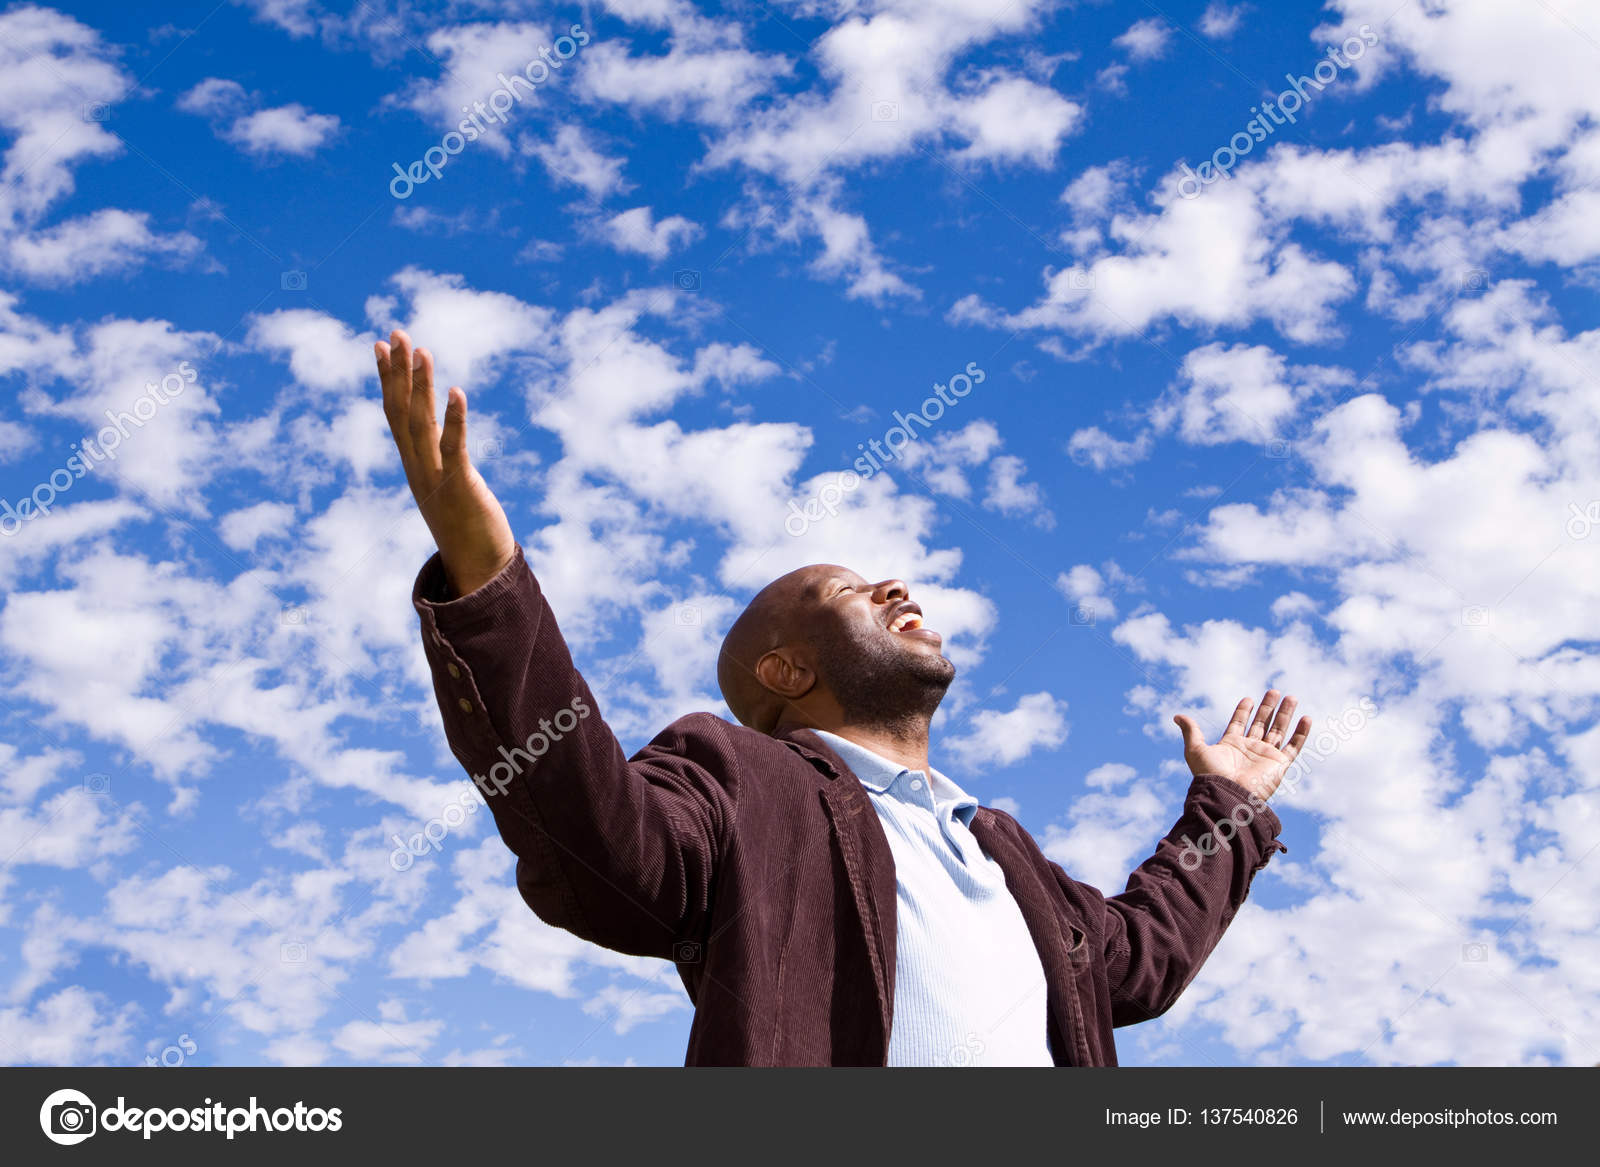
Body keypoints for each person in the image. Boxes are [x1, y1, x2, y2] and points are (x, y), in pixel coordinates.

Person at [375, 329, 1310, 1066]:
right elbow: (597, 837)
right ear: (786, 672)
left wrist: (1226, 803)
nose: (894, 586)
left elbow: (1136, 960)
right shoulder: (736, 780)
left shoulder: (999, 850)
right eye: (847, 590)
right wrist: (487, 580)